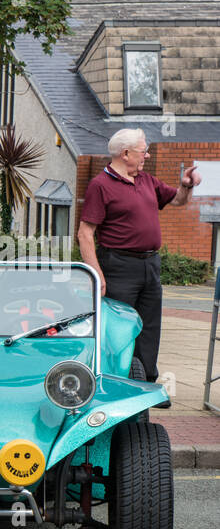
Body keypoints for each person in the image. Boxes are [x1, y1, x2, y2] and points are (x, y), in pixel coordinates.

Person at [78, 127, 199, 404]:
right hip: (118, 265)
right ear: (125, 153)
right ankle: (117, 386)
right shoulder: (101, 185)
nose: (147, 154)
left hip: (150, 264)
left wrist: (186, 185)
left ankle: (145, 388)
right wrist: (96, 272)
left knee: (149, 327)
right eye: (143, 150)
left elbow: (178, 200)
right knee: (120, 328)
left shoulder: (147, 180)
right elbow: (85, 233)